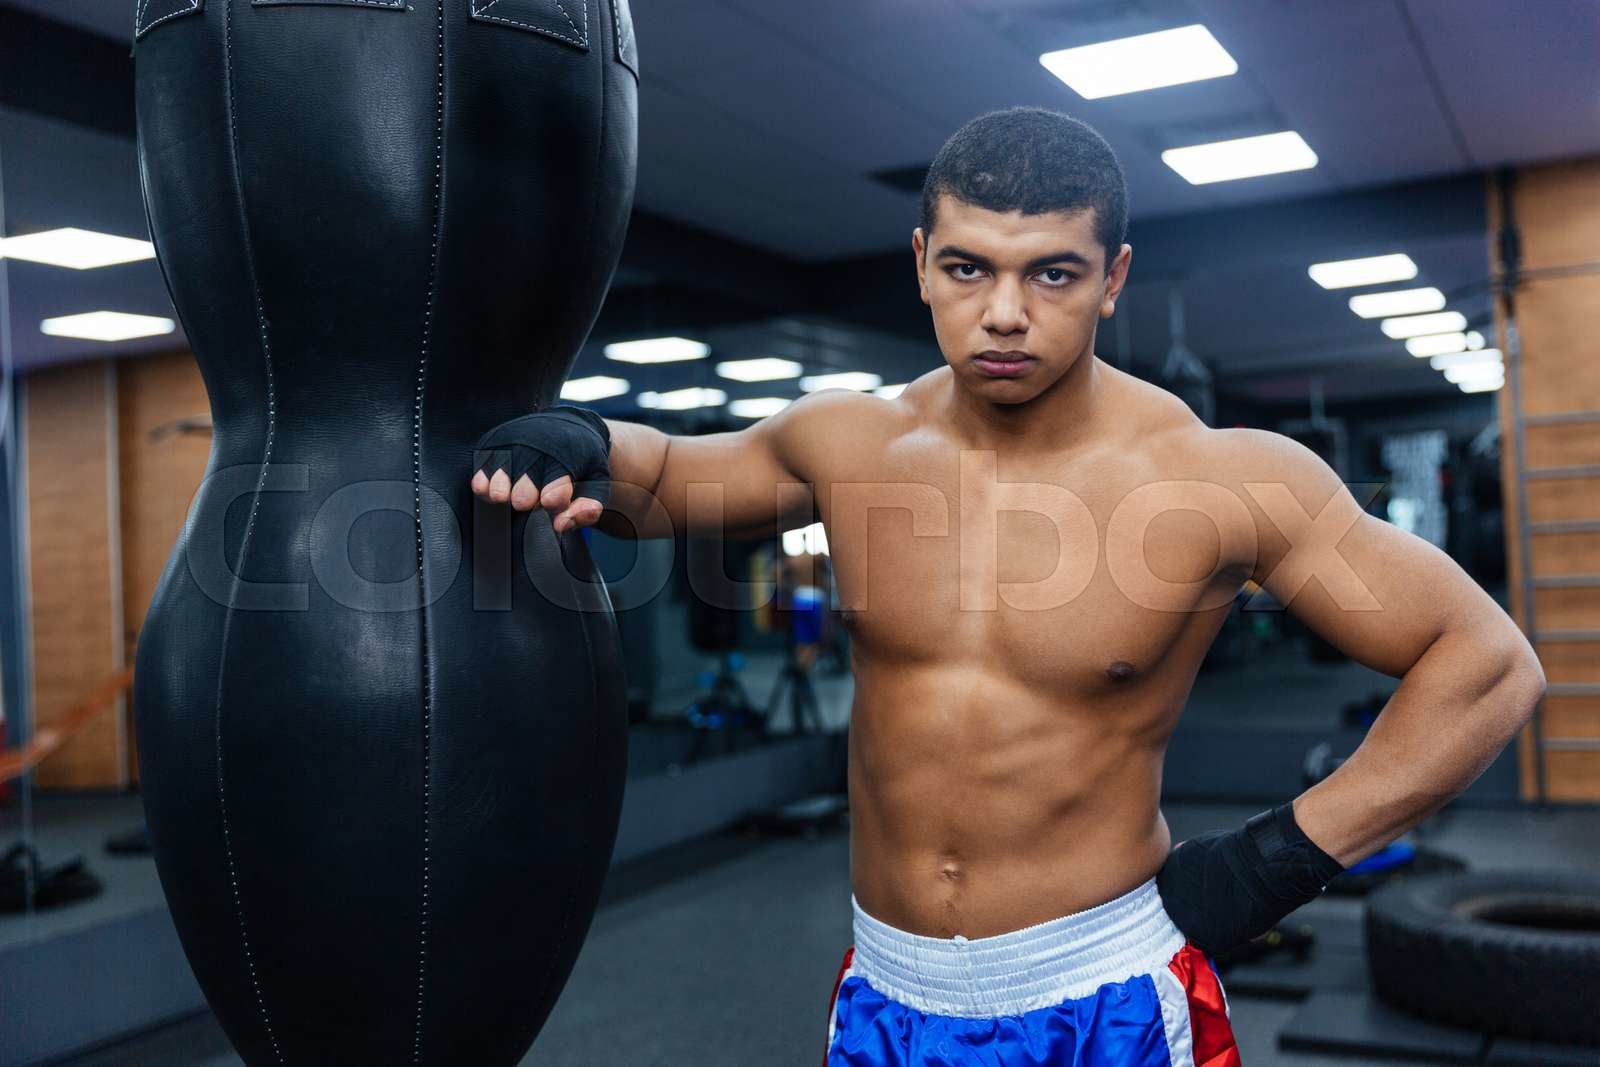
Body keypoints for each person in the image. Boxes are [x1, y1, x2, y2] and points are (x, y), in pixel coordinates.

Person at [468, 108, 1545, 1065]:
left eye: (1054, 273)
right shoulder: (850, 440)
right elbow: (672, 476)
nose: (1005, 313)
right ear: (922, 261)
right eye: (970, 267)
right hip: (887, 992)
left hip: (1104, 992)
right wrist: (587, 436)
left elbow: (1486, 662)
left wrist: (1274, 863)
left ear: (1112, 277)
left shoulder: (1221, 478)